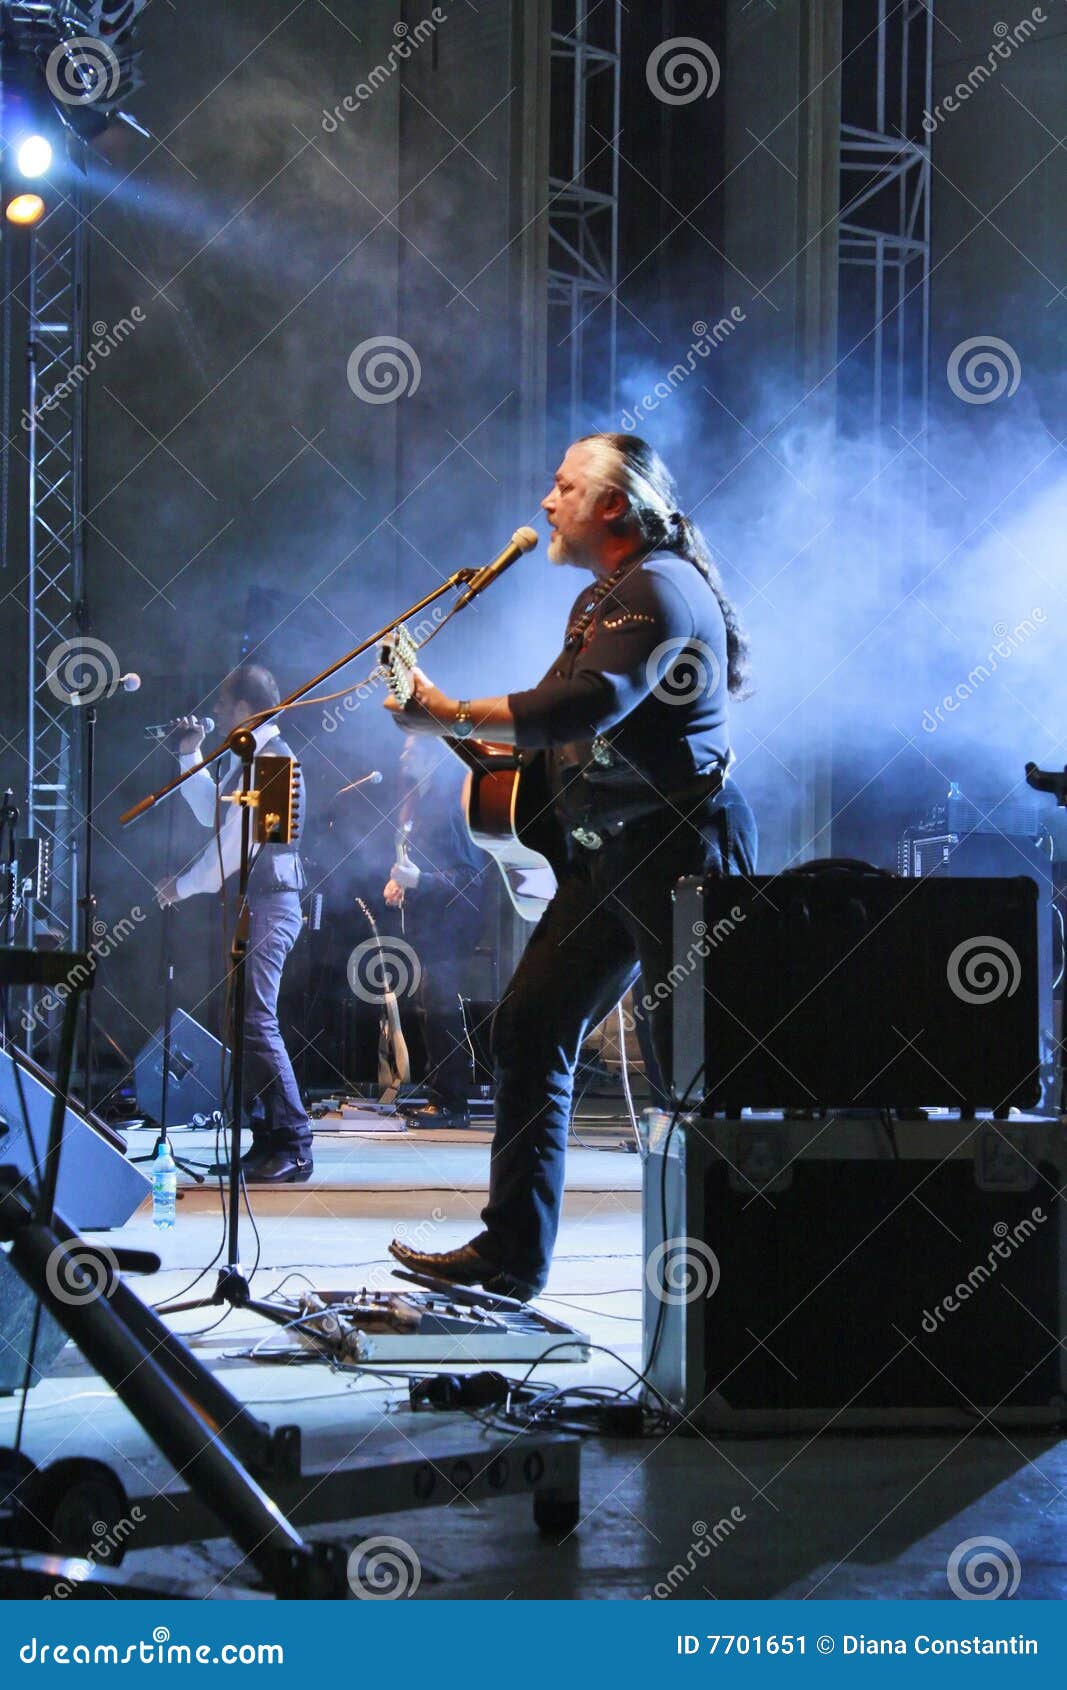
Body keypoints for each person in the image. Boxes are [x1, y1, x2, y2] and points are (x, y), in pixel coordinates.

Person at [386, 433, 757, 1300]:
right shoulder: (603, 598)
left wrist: (446, 709)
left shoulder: (659, 588)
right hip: (613, 857)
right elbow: (557, 733)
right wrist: (450, 724)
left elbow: (588, 704)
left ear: (612, 505)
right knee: (529, 1027)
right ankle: (511, 1256)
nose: (546, 502)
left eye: (563, 487)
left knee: (693, 1065)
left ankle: (732, 1291)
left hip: (680, 851)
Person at [155, 663, 313, 1185]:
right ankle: (267, 1139)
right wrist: (189, 754)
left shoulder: (273, 762)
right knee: (242, 1021)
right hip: (256, 904)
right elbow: (215, 815)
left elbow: (233, 846)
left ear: (246, 707)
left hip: (271, 903)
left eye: (223, 703)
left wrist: (182, 886)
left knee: (255, 1020)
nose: (217, 711)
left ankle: (294, 1144)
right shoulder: (249, 758)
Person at [383, 734, 489, 1127]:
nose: (402, 754)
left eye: (411, 749)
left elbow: (471, 876)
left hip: (453, 925)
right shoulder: (418, 803)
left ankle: (451, 1104)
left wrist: (420, 881)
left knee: (440, 1008)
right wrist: (401, 883)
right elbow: (418, 867)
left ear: (431, 757)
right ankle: (441, 1097)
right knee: (432, 1008)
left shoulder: (448, 807)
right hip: (431, 925)